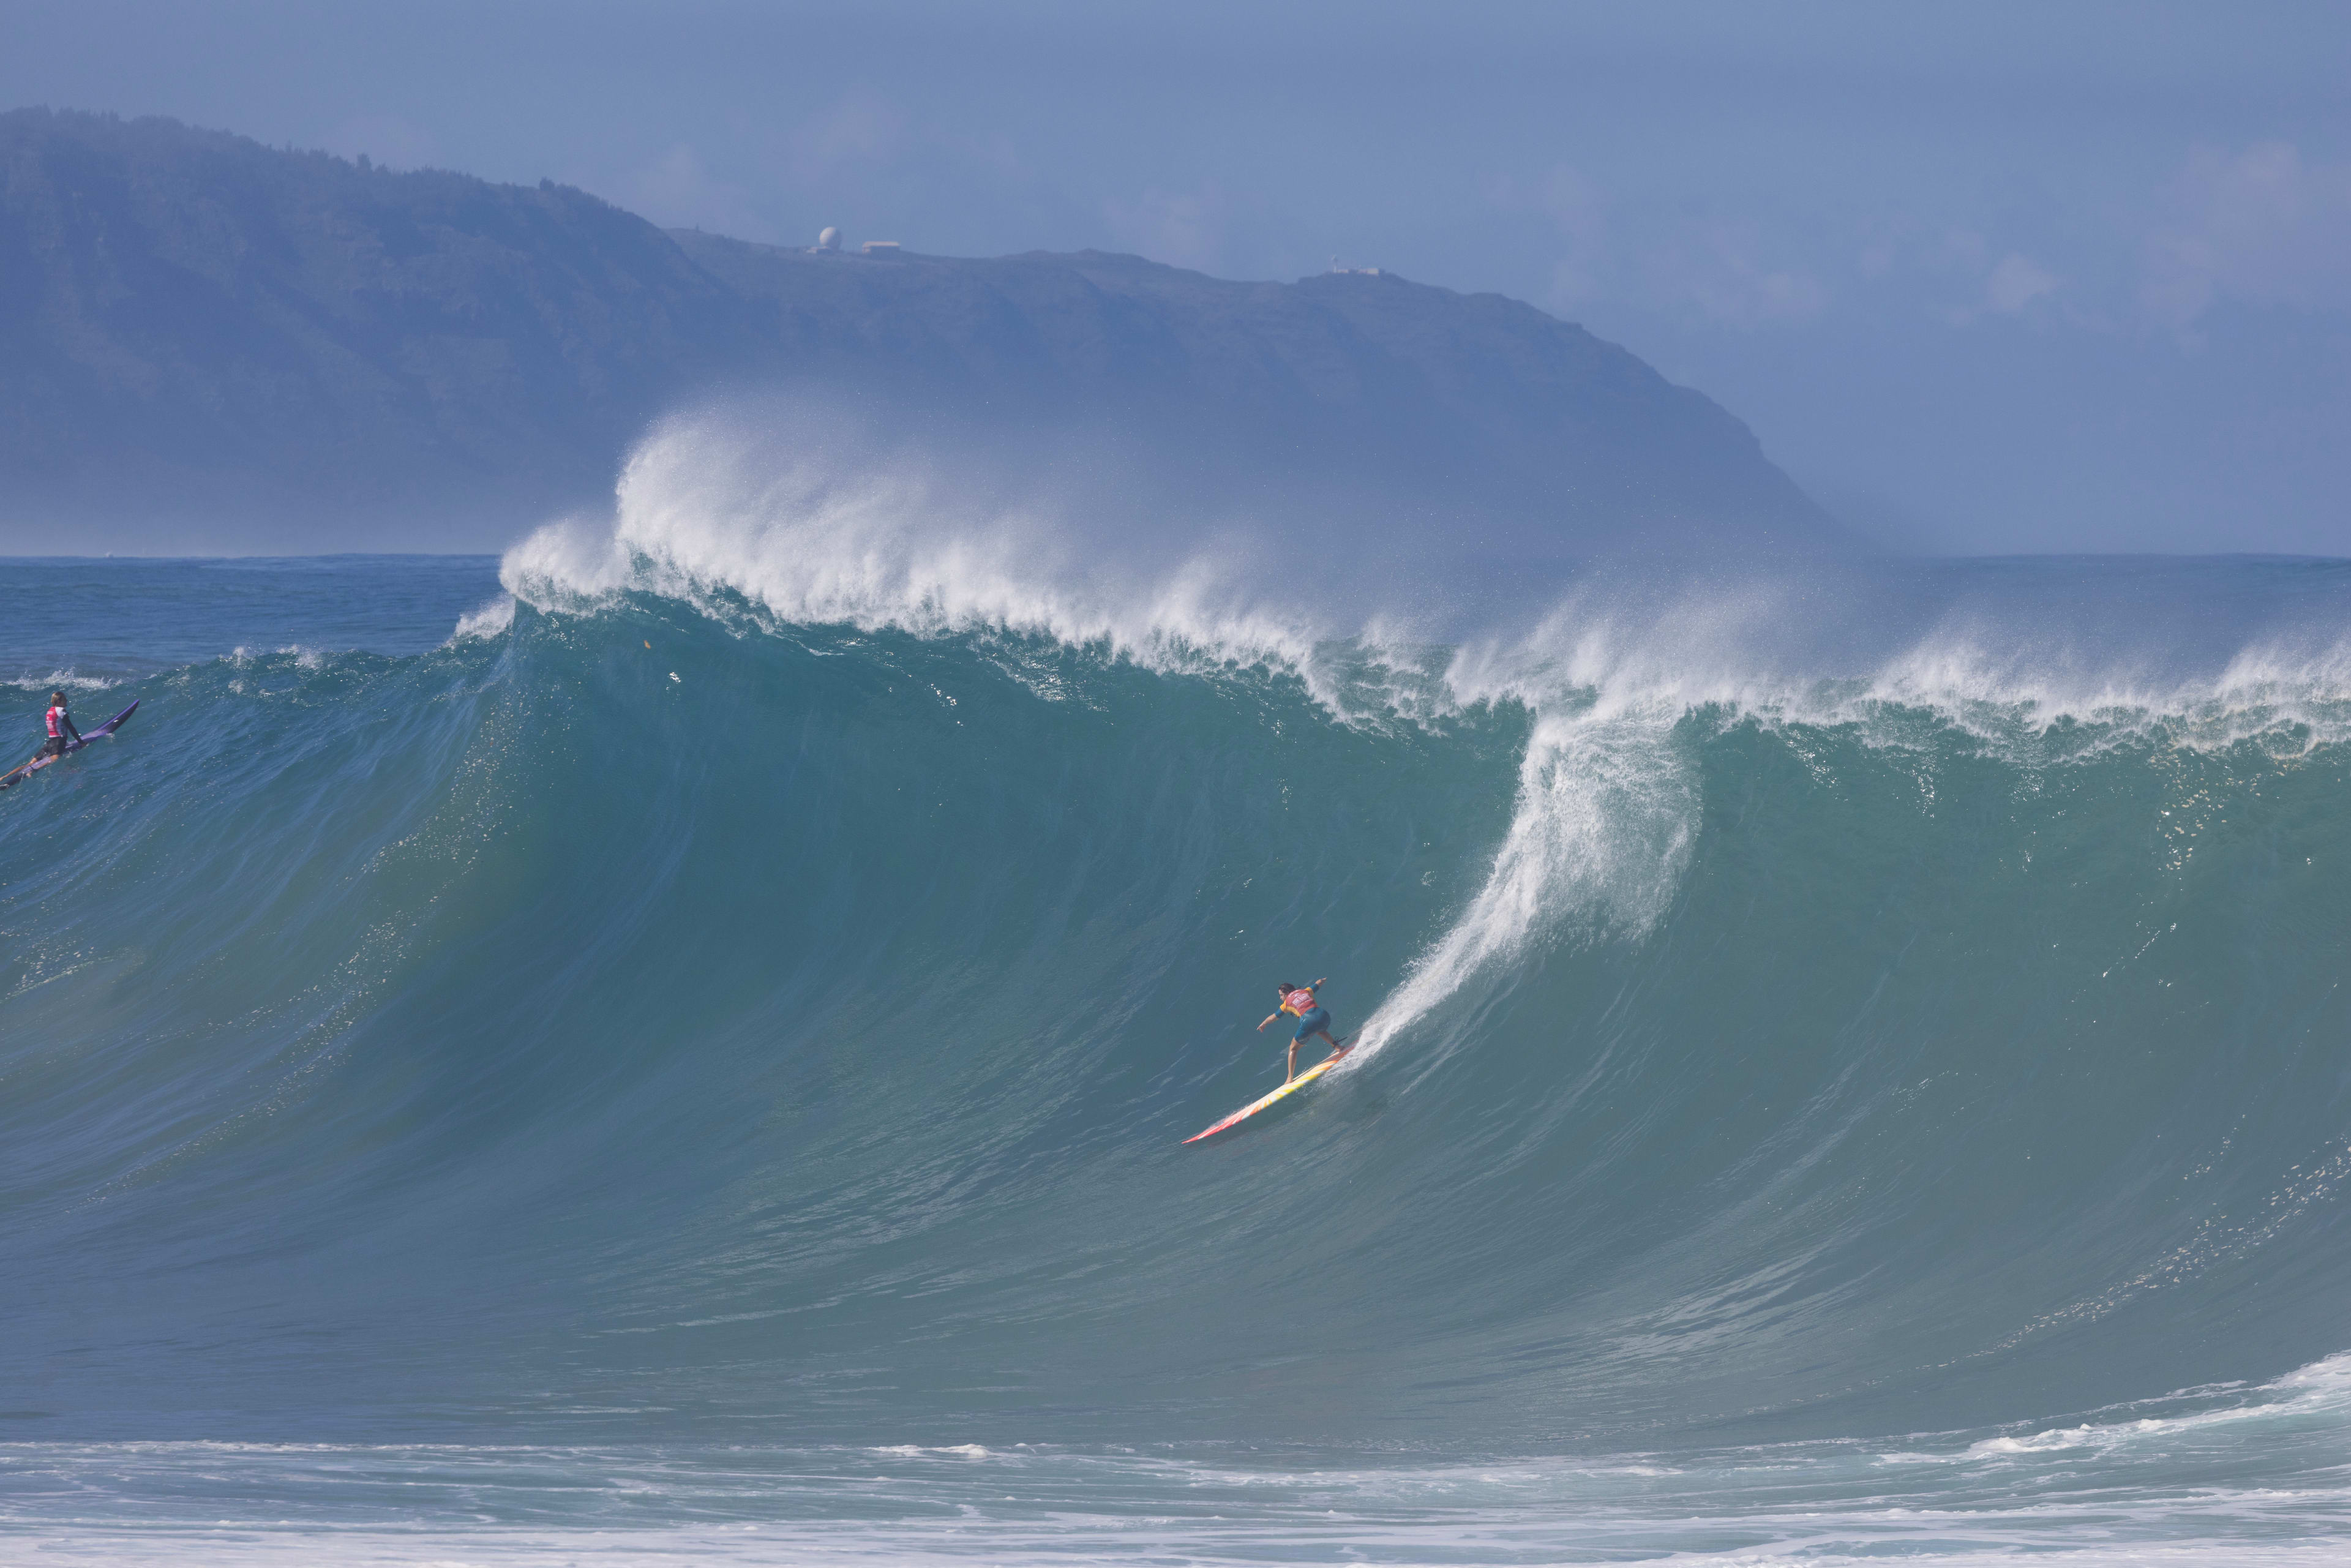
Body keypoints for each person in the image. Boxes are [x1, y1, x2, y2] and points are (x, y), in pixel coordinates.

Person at [1258, 977, 1342, 1084]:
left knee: (1293, 1048)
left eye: (1281, 995)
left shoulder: (1286, 1004)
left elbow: (1274, 1017)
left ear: (1287, 993)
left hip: (1308, 1021)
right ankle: (1338, 1047)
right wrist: (1325, 979)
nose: (1280, 998)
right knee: (1320, 1030)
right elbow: (1319, 983)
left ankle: (1289, 1078)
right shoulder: (1305, 991)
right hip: (1324, 1015)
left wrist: (1264, 1023)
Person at [39, 690, 80, 762]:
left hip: (50, 743)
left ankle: (14, 773)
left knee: (31, 763)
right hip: (59, 743)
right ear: (59, 702)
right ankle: (33, 770)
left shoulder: (50, 711)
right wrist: (81, 742)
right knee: (53, 760)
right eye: (65, 699)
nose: (67, 700)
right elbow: (71, 728)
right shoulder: (61, 710)